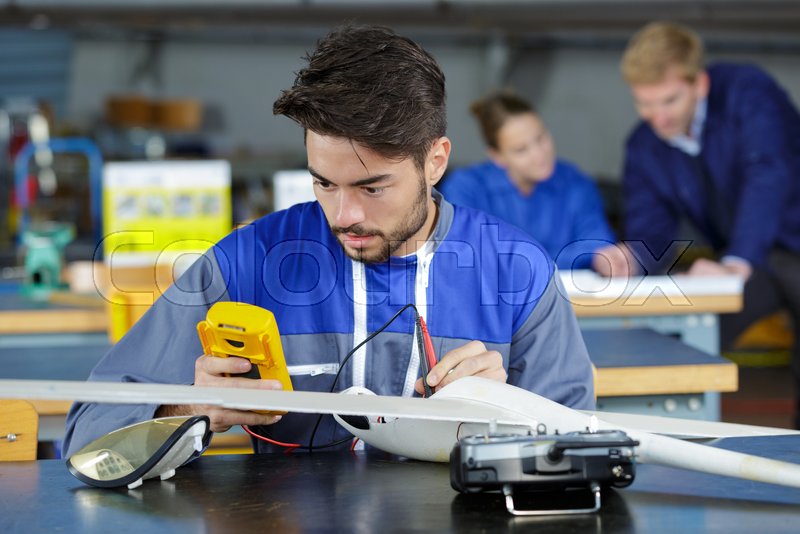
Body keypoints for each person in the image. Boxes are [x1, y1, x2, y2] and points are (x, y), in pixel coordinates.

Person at [64, 25, 595, 456]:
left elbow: (585, 450)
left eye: (372, 187)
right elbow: (86, 434)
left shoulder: (518, 271)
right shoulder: (245, 264)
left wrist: (506, 412)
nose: (345, 215)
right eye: (324, 183)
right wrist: (189, 411)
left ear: (435, 161)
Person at [620, 21, 800, 426]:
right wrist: (631, 256)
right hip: (756, 259)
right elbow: (652, 226)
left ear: (700, 84)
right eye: (645, 104)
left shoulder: (749, 93)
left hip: (769, 246)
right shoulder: (644, 145)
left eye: (669, 100)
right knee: (686, 339)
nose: (658, 117)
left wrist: (737, 259)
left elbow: (767, 173)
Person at [440, 91, 630, 274]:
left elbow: (599, 244)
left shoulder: (575, 182)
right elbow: (468, 255)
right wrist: (573, 258)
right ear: (497, 156)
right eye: (521, 149)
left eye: (541, 138)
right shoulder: (466, 188)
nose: (539, 154)